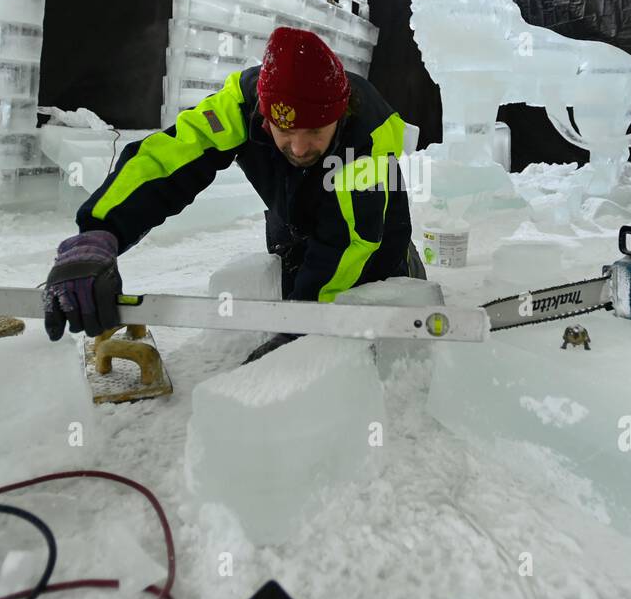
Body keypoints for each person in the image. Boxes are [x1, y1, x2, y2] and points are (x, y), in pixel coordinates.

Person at [42, 26, 426, 362]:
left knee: (363, 311)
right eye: (285, 130)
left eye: (314, 132)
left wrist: (299, 326)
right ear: (264, 113)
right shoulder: (240, 105)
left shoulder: (368, 135)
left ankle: (402, 270)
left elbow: (352, 241)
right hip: (293, 218)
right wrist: (99, 233)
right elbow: (166, 160)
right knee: (294, 264)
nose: (297, 147)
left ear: (339, 116)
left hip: (371, 242)